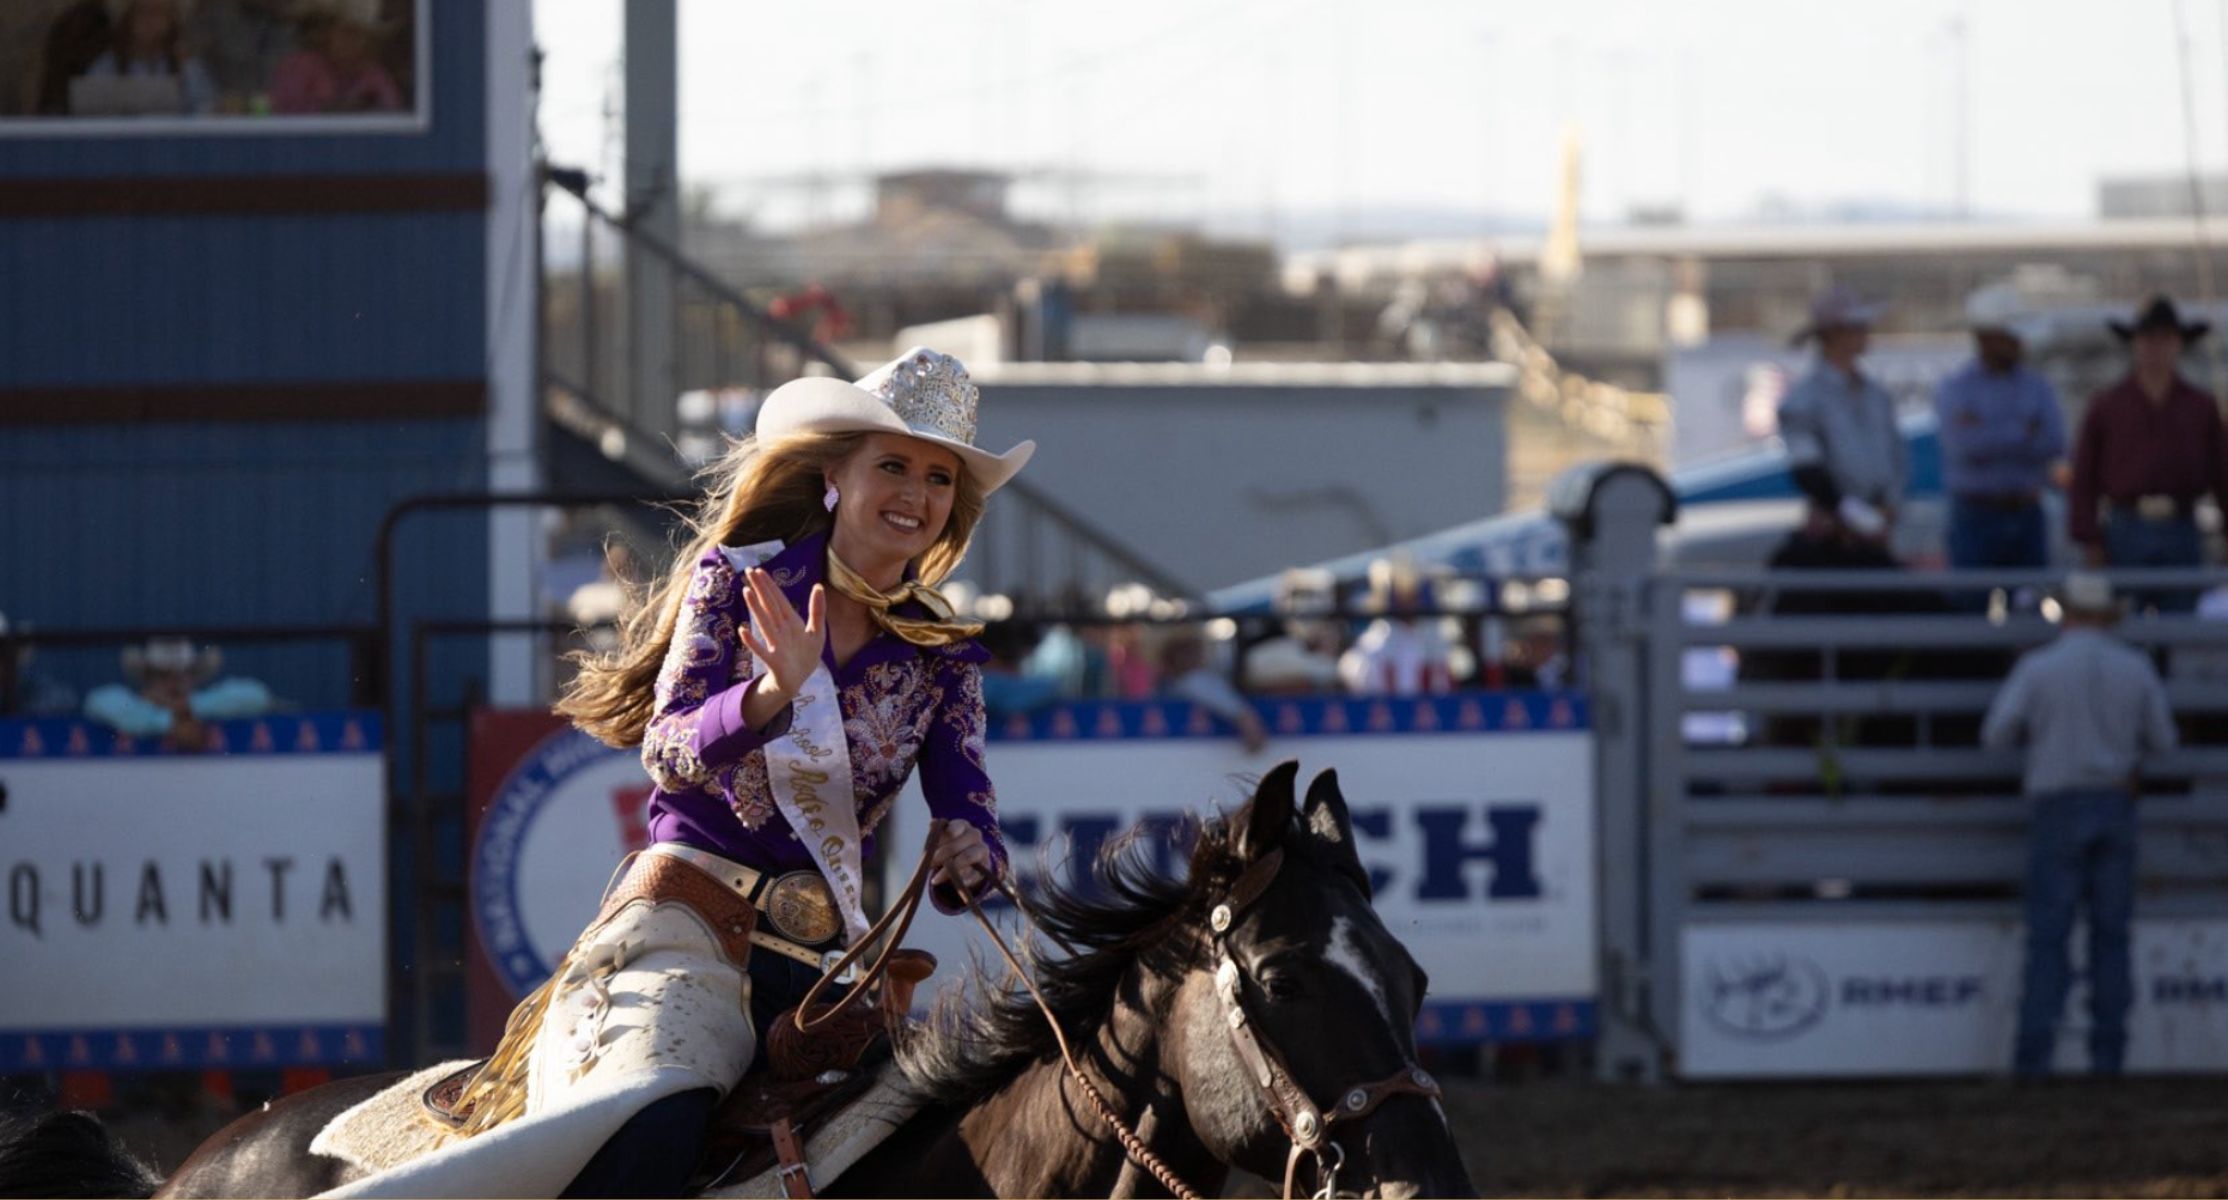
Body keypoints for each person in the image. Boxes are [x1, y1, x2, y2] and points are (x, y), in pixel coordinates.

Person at [413, 348, 1034, 1198]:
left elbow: (970, 807)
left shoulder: (944, 654)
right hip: (689, 932)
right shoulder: (737, 581)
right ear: (833, 475)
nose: (915, 495)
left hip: (828, 972)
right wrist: (770, 694)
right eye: (892, 466)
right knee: (652, 1129)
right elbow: (666, 751)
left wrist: (971, 855)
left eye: (938, 478)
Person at [1982, 572, 2175, 1078]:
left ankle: (2034, 1057)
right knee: (2111, 935)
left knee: (2049, 935)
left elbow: (1997, 734)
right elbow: (2164, 740)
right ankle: (2109, 1057)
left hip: (2057, 801)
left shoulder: (2038, 667)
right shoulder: (2134, 667)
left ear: (2066, 613)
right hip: (2114, 800)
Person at [2067, 295, 2228, 613]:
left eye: (2164, 338)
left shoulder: (2200, 406)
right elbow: (2084, 476)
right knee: (2125, 620)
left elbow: (2222, 473)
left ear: (2178, 343)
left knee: (2181, 622)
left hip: (2181, 525)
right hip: (2126, 526)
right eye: (2148, 338)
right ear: (2135, 343)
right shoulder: (2108, 405)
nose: (2156, 347)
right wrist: (2090, 539)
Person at [1934, 286, 2066, 573]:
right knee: (1972, 597)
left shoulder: (2037, 386)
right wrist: (2023, 432)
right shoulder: (1957, 387)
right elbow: (1963, 445)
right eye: (2010, 336)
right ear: (1987, 338)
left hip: (2027, 513)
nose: (2019, 343)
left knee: (2031, 596)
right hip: (1975, 516)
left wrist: (1987, 432)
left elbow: (2053, 442)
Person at [1777, 285, 1906, 551]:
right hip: (1833, 532)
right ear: (1833, 334)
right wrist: (1855, 516)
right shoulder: (1805, 399)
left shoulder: (1876, 395)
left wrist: (1889, 508)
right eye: (1857, 327)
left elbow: (1895, 456)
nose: (1866, 333)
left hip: (1878, 526)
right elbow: (1808, 470)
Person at [82, 638, 272, 750]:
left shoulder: (208, 703)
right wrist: (173, 723)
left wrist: (187, 706)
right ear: (148, 677)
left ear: (192, 676)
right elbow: (96, 702)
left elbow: (258, 696)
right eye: (163, 675)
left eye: (181, 674)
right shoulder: (125, 704)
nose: (173, 683)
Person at [1338, 556, 1456, 695]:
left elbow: (1444, 684)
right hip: (1387, 705)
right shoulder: (1376, 638)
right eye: (1401, 596)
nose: (1409, 605)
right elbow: (1353, 676)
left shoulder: (1432, 633)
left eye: (1413, 596)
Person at [77, 0, 217, 115]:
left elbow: (206, 112)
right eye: (142, 12)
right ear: (129, 17)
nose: (149, 21)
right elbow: (90, 114)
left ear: (171, 19)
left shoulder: (187, 67)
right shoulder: (107, 65)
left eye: (157, 13)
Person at [268, 0, 402, 114]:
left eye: (363, 35)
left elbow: (390, 118)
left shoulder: (375, 76)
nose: (354, 41)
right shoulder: (298, 67)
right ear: (327, 32)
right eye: (347, 31)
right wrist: (329, 110)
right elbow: (280, 114)